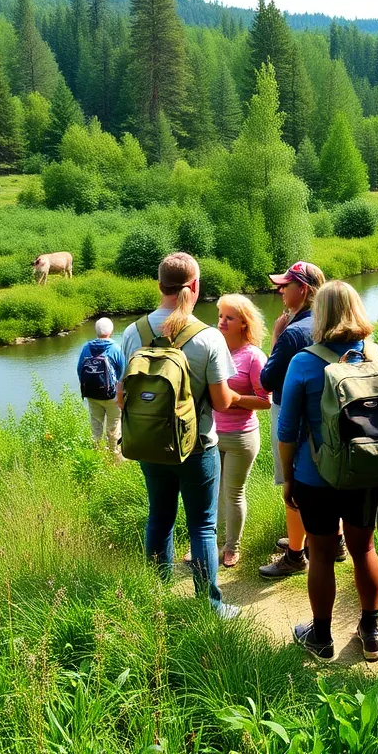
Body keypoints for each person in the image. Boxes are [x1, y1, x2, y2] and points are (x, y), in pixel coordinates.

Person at [119, 253, 240, 619]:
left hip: (150, 445)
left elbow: (121, 395)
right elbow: (220, 402)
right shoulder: (208, 337)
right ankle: (210, 605)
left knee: (159, 517)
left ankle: (157, 599)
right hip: (198, 446)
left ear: (159, 286)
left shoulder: (132, 333)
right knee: (202, 524)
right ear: (196, 286)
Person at [276, 280, 378, 661]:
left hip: (315, 476)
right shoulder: (377, 354)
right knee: (364, 548)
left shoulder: (304, 361)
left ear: (320, 314)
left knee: (322, 554)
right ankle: (371, 634)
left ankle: (320, 638)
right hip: (365, 472)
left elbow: (287, 428)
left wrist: (289, 477)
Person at [258, 260, 336, 579]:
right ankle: (337, 542)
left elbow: (266, 379)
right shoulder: (330, 323)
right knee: (327, 478)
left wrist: (276, 337)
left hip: (292, 417)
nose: (279, 291)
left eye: (285, 286)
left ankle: (294, 553)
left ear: (302, 290)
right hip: (327, 418)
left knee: (293, 485)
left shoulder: (292, 333)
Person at [213, 294, 271, 568]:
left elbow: (265, 401)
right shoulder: (213, 348)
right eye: (221, 316)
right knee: (211, 492)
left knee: (233, 493)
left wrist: (234, 398)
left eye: (229, 317)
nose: (222, 321)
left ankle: (231, 547)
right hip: (210, 434)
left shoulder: (253, 356)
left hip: (240, 436)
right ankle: (207, 543)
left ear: (243, 324)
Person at [77, 317, 126, 457]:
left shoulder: (86, 347)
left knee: (96, 426)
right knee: (114, 427)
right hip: (112, 396)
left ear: (96, 331)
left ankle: (96, 455)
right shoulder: (116, 349)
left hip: (92, 394)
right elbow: (123, 373)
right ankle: (114, 457)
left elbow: (79, 369)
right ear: (111, 331)